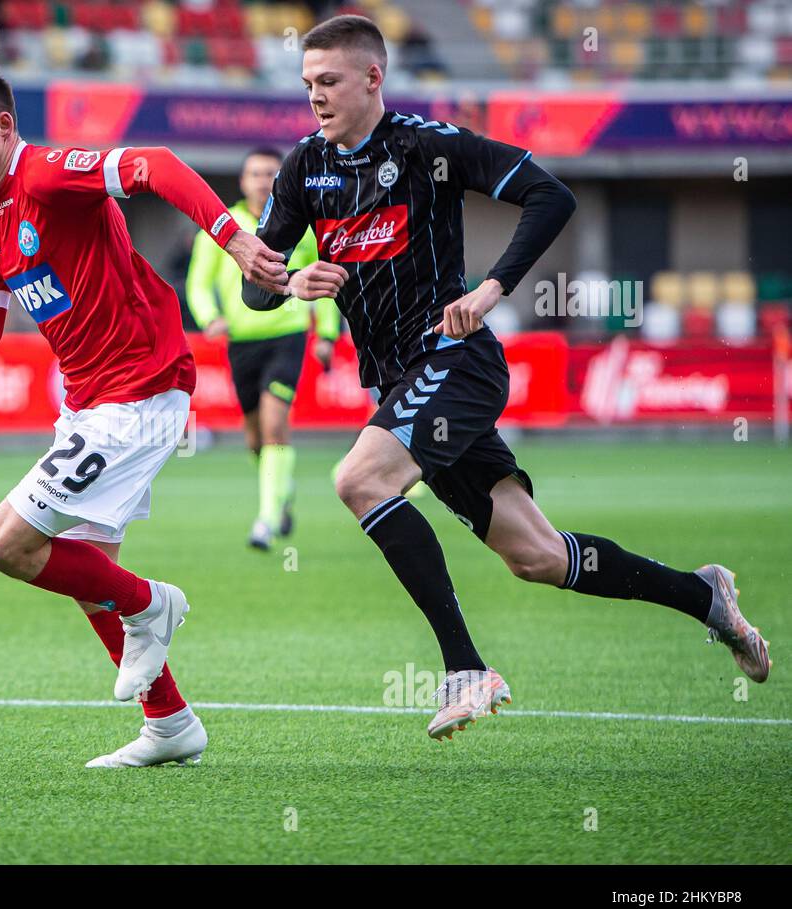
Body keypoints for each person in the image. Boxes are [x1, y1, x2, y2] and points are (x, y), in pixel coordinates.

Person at [244, 15, 770, 740]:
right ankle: (705, 596)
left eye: (328, 81)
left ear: (372, 77)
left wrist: (491, 289)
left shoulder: (427, 146)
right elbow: (255, 286)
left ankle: (466, 668)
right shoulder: (304, 168)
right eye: (307, 83)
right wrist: (290, 281)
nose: (315, 96)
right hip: (401, 383)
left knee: (359, 480)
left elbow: (552, 195)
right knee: (538, 557)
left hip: (456, 361)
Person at [0, 64, 288, 768]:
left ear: (4, 126)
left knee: (6, 545)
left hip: (141, 388)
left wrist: (236, 239)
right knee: (86, 571)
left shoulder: (46, 176)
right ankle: (170, 723)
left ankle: (153, 604)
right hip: (90, 399)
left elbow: (157, 164)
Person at [186, 145, 340, 550]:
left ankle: (267, 521)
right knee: (255, 439)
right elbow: (198, 282)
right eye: (255, 174)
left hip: (287, 335)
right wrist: (209, 317)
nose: (262, 181)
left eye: (271, 174)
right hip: (241, 341)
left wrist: (326, 334)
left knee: (275, 425)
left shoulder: (301, 226)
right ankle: (281, 491)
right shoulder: (223, 227)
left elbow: (322, 283)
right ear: (242, 181)